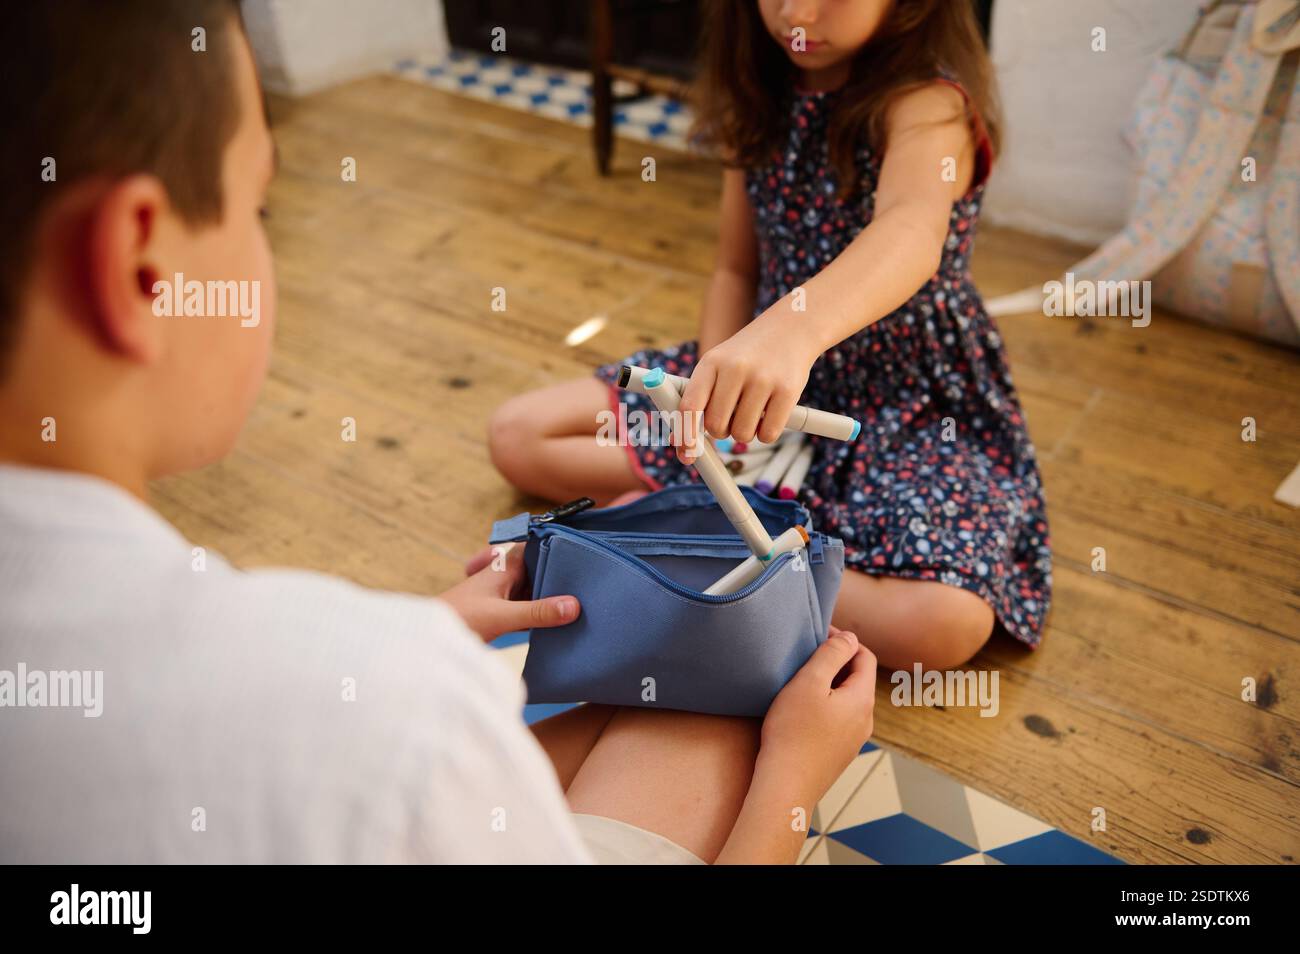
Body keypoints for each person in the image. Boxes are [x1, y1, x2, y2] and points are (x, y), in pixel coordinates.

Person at [0, 0, 875, 865]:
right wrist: (794, 780)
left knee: (665, 675)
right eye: (258, 209)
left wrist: (416, 640)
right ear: (139, 268)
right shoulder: (409, 716)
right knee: (715, 709)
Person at [490, 0, 1052, 672]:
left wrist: (795, 329)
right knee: (518, 436)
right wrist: (707, 392)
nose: (797, 11)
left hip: (908, 400)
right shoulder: (757, 93)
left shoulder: (930, 107)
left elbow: (910, 229)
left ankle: (692, 540)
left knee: (943, 625)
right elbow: (735, 268)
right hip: (757, 380)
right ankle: (729, 533)